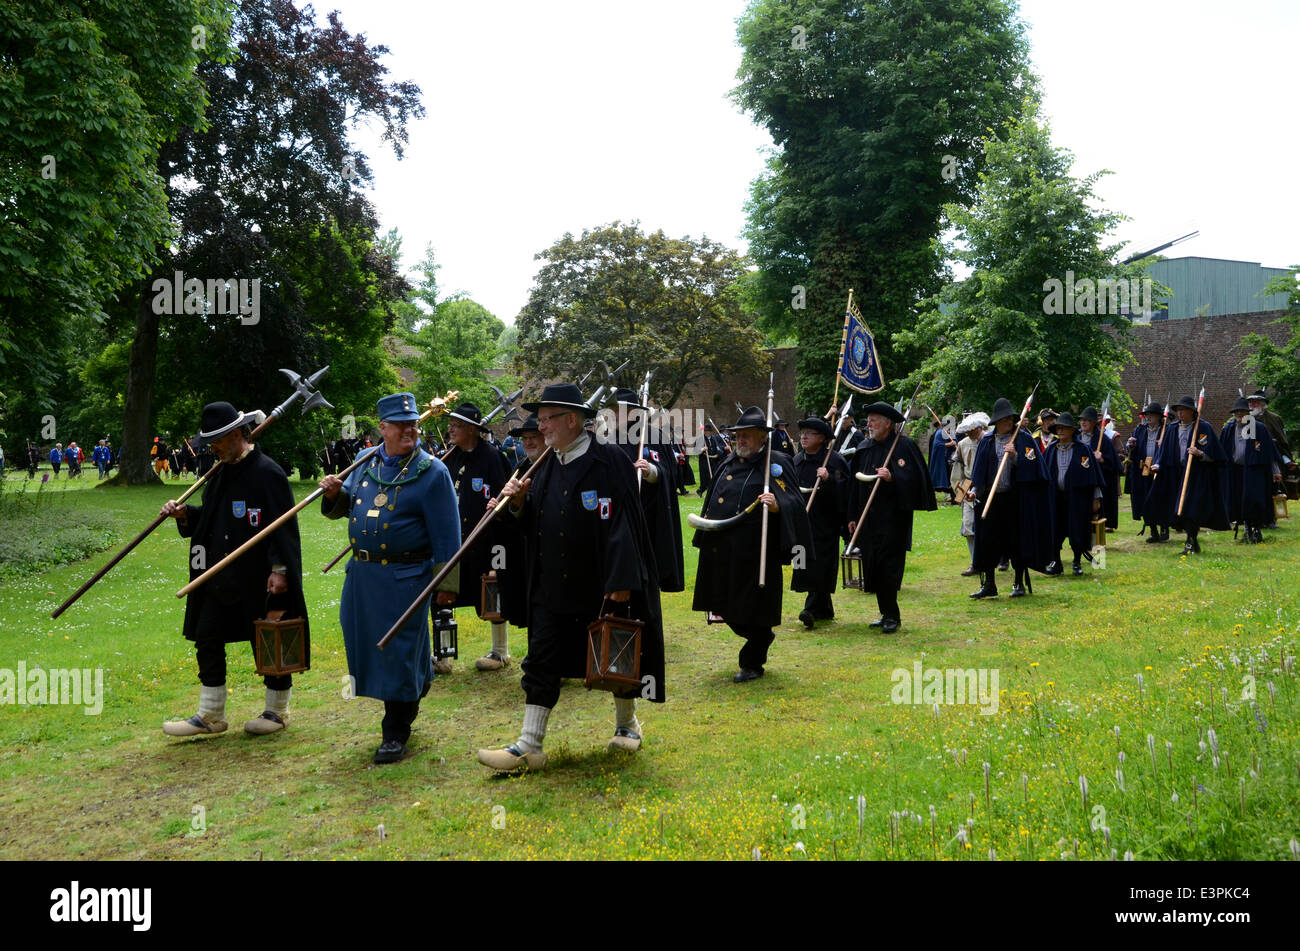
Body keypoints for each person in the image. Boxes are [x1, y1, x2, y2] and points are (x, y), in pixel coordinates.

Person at [477, 382, 666, 771]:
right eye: (541, 421)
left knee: (615, 651)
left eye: (547, 420)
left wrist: (620, 580)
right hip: (551, 584)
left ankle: (627, 726)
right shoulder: (543, 463)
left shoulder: (608, 460)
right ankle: (529, 745)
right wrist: (516, 505)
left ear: (573, 420)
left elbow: (625, 523)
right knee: (541, 659)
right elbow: (531, 525)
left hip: (600, 583)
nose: (540, 427)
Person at [320, 392, 461, 763]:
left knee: (397, 649)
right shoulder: (365, 463)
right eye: (400, 425)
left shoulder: (433, 473)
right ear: (382, 428)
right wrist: (335, 494)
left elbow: (449, 538)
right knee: (364, 642)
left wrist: (446, 588)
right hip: (363, 577)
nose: (409, 430)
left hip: (407, 577)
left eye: (413, 423)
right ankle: (417, 682)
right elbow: (342, 507)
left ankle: (395, 729)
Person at [160, 402, 310, 738]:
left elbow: (281, 529)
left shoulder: (267, 473)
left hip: (259, 577)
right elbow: (214, 520)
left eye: (218, 442)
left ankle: (277, 712)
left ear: (238, 435)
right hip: (217, 575)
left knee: (268, 640)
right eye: (210, 443)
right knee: (206, 636)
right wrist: (186, 515)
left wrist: (280, 569)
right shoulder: (218, 473)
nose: (212, 449)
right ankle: (210, 715)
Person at [692, 405, 811, 680]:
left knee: (754, 606)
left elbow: (795, 501)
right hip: (721, 546)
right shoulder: (727, 461)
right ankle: (760, 635)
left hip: (756, 550)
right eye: (738, 436)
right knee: (721, 602)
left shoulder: (776, 464)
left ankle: (753, 660)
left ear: (761, 437)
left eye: (747, 435)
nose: (740, 441)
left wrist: (778, 504)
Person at [440, 402, 520, 674]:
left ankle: (500, 652)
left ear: (473, 429)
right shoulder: (448, 457)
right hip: (451, 539)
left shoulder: (493, 458)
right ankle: (442, 656)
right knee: (442, 593)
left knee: (491, 590)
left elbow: (505, 500)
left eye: (457, 425)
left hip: (486, 538)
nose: (450, 429)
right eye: (450, 424)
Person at [846, 402, 936, 631]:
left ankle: (892, 616)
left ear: (888, 423)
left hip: (893, 519)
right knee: (873, 567)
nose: (869, 424)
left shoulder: (903, 447)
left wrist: (893, 477)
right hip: (868, 518)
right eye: (869, 419)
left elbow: (916, 481)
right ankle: (884, 612)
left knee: (889, 567)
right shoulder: (864, 448)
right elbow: (854, 487)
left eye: (874, 419)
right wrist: (852, 516)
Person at [967, 397, 1054, 599]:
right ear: (997, 421)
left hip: (1015, 500)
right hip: (991, 500)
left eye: (1011, 418)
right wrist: (974, 491)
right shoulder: (987, 441)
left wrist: (1016, 457)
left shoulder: (1023, 439)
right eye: (1005, 419)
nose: (1008, 422)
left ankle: (1018, 583)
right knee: (988, 541)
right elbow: (979, 473)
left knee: (1017, 541)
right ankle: (989, 583)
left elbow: (1036, 470)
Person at [612, 389, 685, 593]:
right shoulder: (608, 438)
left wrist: (650, 470)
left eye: (619, 410)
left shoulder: (653, 435)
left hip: (649, 515)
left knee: (647, 576)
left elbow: (669, 472)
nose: (614, 415)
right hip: (619, 514)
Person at [1148, 394, 1229, 555]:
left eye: (1184, 410)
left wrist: (1200, 453)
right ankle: (1192, 540)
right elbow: (1163, 452)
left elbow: (1218, 455)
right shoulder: (1172, 429)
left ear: (1192, 411)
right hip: (1175, 475)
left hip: (1196, 475)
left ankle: (1190, 543)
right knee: (1178, 510)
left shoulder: (1203, 428)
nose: (1180, 414)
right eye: (1178, 410)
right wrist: (1157, 464)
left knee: (1192, 510)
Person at [791, 416, 850, 628]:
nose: (804, 437)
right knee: (802, 563)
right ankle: (824, 608)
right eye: (803, 432)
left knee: (820, 565)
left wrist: (829, 480)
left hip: (825, 524)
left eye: (810, 433)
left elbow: (846, 492)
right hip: (801, 523)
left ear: (822, 438)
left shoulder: (833, 461)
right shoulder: (796, 461)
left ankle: (811, 609)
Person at [1042, 413, 1103, 576]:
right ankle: (1056, 563)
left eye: (1064, 428)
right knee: (1055, 530)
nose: (1061, 431)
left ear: (1072, 431)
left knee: (1077, 530)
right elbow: (1043, 475)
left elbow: (1093, 476)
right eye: (1058, 428)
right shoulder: (1050, 450)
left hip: (1077, 498)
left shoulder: (1083, 449)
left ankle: (1077, 562)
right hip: (1056, 499)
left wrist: (1096, 498)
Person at [1221, 396, 1281, 543]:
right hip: (1235, 472)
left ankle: (1256, 528)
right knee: (1238, 501)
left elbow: (1269, 452)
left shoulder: (1259, 428)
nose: (1240, 416)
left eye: (1243, 413)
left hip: (1254, 472)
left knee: (1254, 500)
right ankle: (1246, 527)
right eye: (1237, 413)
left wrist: (1276, 470)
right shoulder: (1229, 429)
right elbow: (1221, 451)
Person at [950, 412, 988, 576]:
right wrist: (959, 492)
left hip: (986, 487)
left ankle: (999, 559)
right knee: (968, 526)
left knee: (988, 527)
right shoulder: (963, 444)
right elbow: (958, 469)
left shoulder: (989, 441)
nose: (969, 434)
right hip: (968, 485)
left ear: (979, 428)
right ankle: (975, 563)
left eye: (971, 431)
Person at [1126, 401, 1169, 543]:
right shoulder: (1139, 429)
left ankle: (1164, 527)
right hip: (1143, 469)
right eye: (1147, 414)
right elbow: (1130, 448)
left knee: (1161, 500)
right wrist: (1130, 444)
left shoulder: (1166, 430)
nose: (1148, 417)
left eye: (1151, 414)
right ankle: (1153, 530)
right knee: (1145, 500)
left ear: (1159, 416)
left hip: (1160, 469)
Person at [1078, 407, 1119, 533]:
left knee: (1098, 513)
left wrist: (1102, 460)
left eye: (1087, 420)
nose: (1083, 423)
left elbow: (1115, 464)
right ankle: (1083, 544)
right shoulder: (1077, 437)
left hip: (1097, 483)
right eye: (1081, 420)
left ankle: (1098, 547)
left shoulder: (1104, 440)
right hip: (1080, 481)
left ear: (1093, 422)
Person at [928, 417, 956, 502]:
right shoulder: (939, 433)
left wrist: (954, 443)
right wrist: (949, 444)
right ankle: (931, 496)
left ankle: (953, 497)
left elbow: (955, 441)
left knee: (950, 478)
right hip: (940, 460)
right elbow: (937, 445)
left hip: (949, 459)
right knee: (938, 477)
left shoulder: (950, 433)